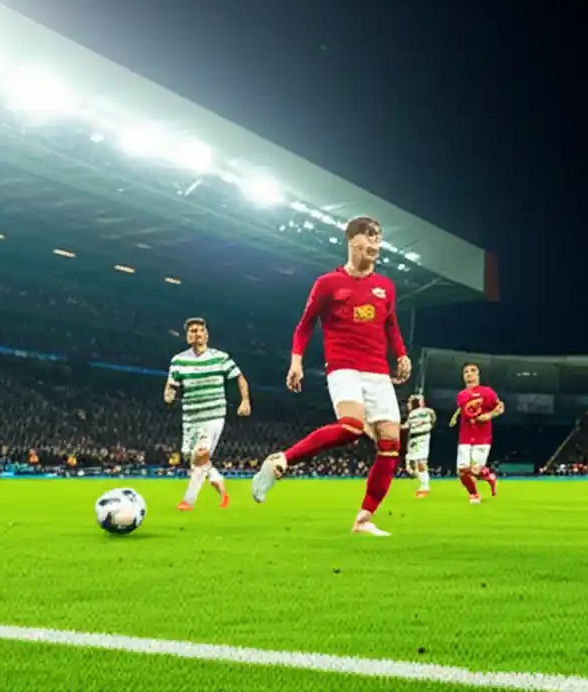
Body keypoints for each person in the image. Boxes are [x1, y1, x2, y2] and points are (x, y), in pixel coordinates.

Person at [250, 215, 412, 537]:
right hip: (343, 367)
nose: (376, 244)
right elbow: (305, 325)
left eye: (379, 237)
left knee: (391, 443)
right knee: (352, 427)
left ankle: (364, 519)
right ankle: (281, 461)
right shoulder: (328, 284)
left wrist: (402, 353)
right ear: (353, 240)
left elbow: (390, 326)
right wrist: (296, 362)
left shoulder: (385, 287)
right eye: (369, 237)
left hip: (378, 371)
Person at [164, 317, 249, 511]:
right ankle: (218, 480)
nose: (196, 333)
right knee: (191, 457)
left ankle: (188, 500)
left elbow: (240, 378)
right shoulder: (178, 361)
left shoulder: (220, 357)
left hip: (213, 415)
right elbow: (171, 385)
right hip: (190, 417)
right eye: (192, 331)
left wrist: (245, 400)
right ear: (187, 337)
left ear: (206, 335)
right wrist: (168, 395)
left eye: (200, 330)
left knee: (201, 454)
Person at [449, 362, 502, 503]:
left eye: (473, 371)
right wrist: (455, 417)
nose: (469, 373)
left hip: (482, 437)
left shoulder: (487, 392)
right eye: (466, 371)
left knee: (475, 470)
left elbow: (500, 407)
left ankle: (488, 476)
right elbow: (463, 408)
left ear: (478, 375)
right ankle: (474, 493)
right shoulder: (461, 395)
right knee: (462, 471)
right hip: (465, 436)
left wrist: (489, 415)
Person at [403, 394, 436, 497]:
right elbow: (407, 425)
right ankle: (420, 480)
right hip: (414, 439)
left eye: (409, 402)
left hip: (421, 437)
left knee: (421, 461)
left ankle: (425, 486)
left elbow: (406, 426)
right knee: (411, 461)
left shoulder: (421, 412)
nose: (408, 405)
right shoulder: (414, 414)